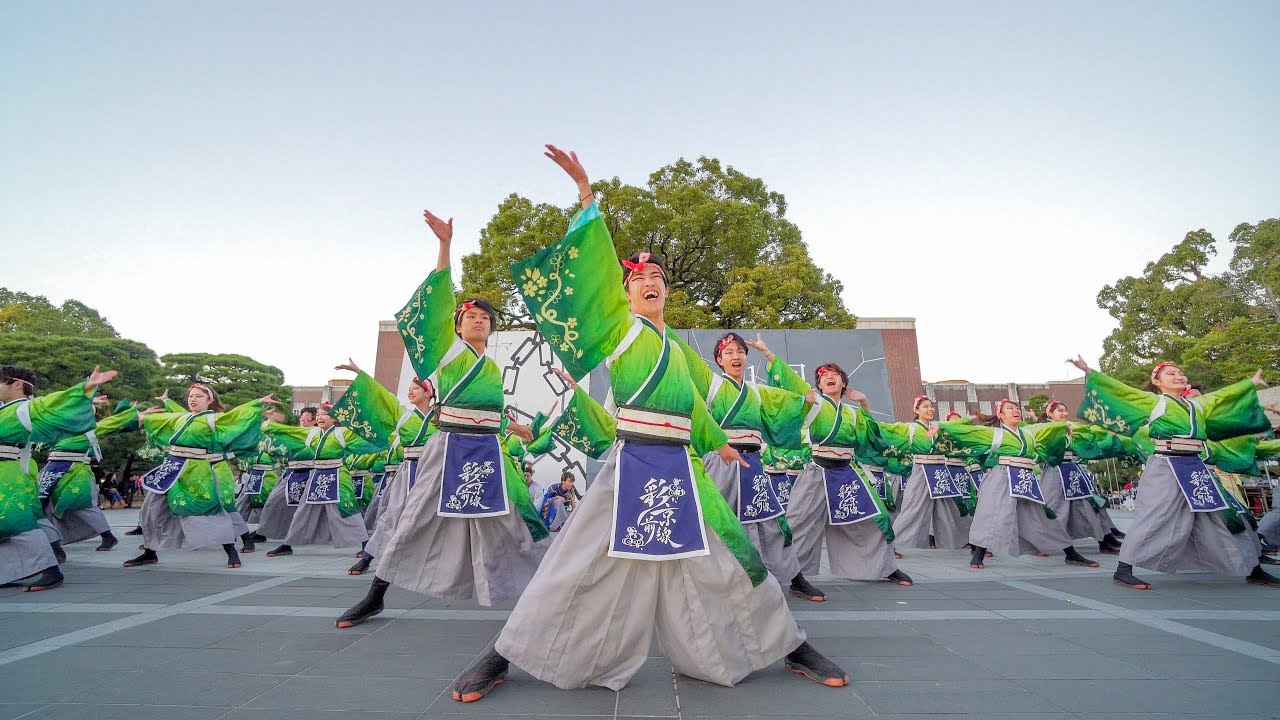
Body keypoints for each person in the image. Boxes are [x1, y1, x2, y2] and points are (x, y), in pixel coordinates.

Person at [448, 146, 847, 703]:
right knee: (572, 565)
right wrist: (587, 193)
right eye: (642, 279)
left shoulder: (679, 350)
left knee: (733, 559)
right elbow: (593, 268)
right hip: (629, 461)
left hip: (684, 468)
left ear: (667, 290)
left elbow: (698, 410)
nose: (652, 282)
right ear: (627, 292)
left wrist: (720, 445)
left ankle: (790, 644)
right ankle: (501, 655)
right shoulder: (621, 331)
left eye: (660, 277)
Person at [334, 205, 547, 628]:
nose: (479, 321)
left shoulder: (491, 368)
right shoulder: (448, 351)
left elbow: (492, 414)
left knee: (509, 523)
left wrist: (516, 426)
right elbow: (439, 302)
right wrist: (446, 246)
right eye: (471, 316)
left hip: (488, 450)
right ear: (457, 323)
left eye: (486, 318)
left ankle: (540, 602)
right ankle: (376, 594)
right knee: (414, 518)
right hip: (448, 446)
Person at [1073, 357, 1276, 588]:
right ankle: (1123, 569)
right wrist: (1090, 372)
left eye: (1180, 373)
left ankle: (1254, 569)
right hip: (1166, 466)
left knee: (1225, 515)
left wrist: (1249, 383)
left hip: (1194, 466)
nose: (1178, 376)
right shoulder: (1155, 403)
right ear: (1156, 381)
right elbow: (1122, 391)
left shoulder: (1196, 405)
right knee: (1155, 517)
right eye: (1171, 374)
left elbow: (1223, 397)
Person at [687, 331, 826, 601]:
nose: (736, 356)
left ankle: (793, 579)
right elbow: (683, 366)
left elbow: (805, 397)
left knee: (772, 523)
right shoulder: (711, 385)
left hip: (752, 464)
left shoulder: (757, 392)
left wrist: (769, 355)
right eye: (729, 352)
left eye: (740, 351)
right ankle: (714, 584)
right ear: (719, 359)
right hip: (721, 461)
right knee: (717, 524)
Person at [763, 353, 910, 587]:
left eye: (835, 375)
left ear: (844, 383)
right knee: (798, 523)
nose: (830, 377)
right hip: (818, 471)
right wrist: (769, 355)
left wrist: (864, 403)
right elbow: (791, 382)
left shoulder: (853, 413)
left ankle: (886, 567)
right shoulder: (815, 405)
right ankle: (792, 577)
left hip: (847, 473)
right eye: (824, 376)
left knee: (874, 519)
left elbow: (871, 441)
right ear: (819, 385)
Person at [122, 384, 276, 569]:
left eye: (199, 396)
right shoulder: (182, 418)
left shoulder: (215, 419)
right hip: (171, 468)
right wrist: (138, 413)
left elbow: (235, 417)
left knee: (209, 510)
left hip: (197, 470)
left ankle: (231, 550)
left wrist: (256, 404)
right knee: (150, 508)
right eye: (191, 396)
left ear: (210, 400)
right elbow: (156, 419)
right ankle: (149, 552)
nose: (193, 399)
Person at [937, 400, 1099, 570]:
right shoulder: (996, 434)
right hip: (1002, 477)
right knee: (991, 514)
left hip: (1025, 477)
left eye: (1016, 408)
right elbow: (970, 432)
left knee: (1043, 515)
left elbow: (1045, 428)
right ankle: (979, 553)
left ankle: (1070, 553)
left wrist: (1061, 426)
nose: (1015, 410)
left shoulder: (1028, 432)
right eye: (1010, 408)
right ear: (1000, 415)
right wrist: (942, 427)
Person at [1, 364, 118, 592]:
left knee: (17, 523)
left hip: (9, 474)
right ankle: (20, 567)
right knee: (25, 519)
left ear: (16, 384)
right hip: (17, 471)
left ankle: (50, 569)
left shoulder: (22, 409)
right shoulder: (9, 409)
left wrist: (84, 389)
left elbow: (50, 403)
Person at [263, 402, 382, 557]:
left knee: (347, 509)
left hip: (338, 475)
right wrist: (270, 424)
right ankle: (287, 544)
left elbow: (365, 434)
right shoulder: (312, 433)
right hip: (317, 475)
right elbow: (292, 432)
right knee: (303, 510)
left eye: (324, 414)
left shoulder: (342, 433)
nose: (320, 417)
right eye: (318, 414)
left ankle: (366, 544)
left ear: (335, 418)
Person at [880, 397, 972, 552]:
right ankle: (891, 544)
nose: (930, 409)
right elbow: (885, 429)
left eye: (931, 406)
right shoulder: (911, 428)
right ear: (916, 410)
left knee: (951, 508)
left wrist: (966, 421)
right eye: (925, 407)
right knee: (912, 508)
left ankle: (969, 541)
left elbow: (952, 426)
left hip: (940, 472)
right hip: (921, 470)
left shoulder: (937, 428)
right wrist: (865, 410)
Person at [254, 406, 318, 540]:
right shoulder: (298, 432)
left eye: (307, 418)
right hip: (291, 473)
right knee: (273, 502)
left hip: (311, 473)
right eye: (301, 417)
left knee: (310, 509)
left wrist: (271, 423)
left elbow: (285, 433)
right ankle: (264, 531)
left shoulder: (315, 432)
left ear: (314, 421)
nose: (302, 420)